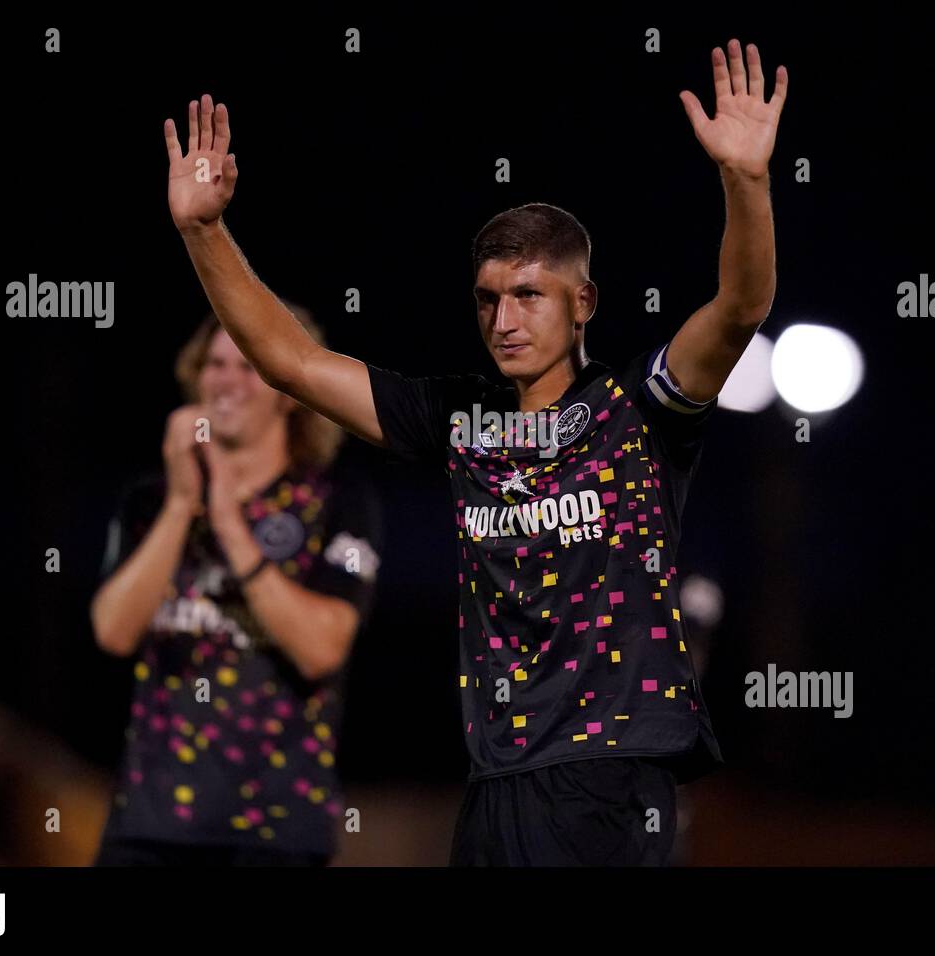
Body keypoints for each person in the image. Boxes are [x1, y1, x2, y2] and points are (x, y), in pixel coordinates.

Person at [162, 37, 786, 865]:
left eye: (529, 295)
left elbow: (741, 304)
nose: (505, 320)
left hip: (610, 778)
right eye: (489, 299)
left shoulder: (639, 411)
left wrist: (744, 179)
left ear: (584, 302)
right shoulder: (458, 417)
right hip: (496, 784)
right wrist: (203, 230)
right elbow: (293, 362)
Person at [90, 311, 382, 866]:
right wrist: (182, 504)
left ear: (289, 389)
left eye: (249, 367)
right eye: (215, 364)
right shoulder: (149, 504)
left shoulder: (338, 504)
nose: (227, 381)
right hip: (148, 829)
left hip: (273, 836)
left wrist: (226, 518)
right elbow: (113, 631)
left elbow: (322, 649)